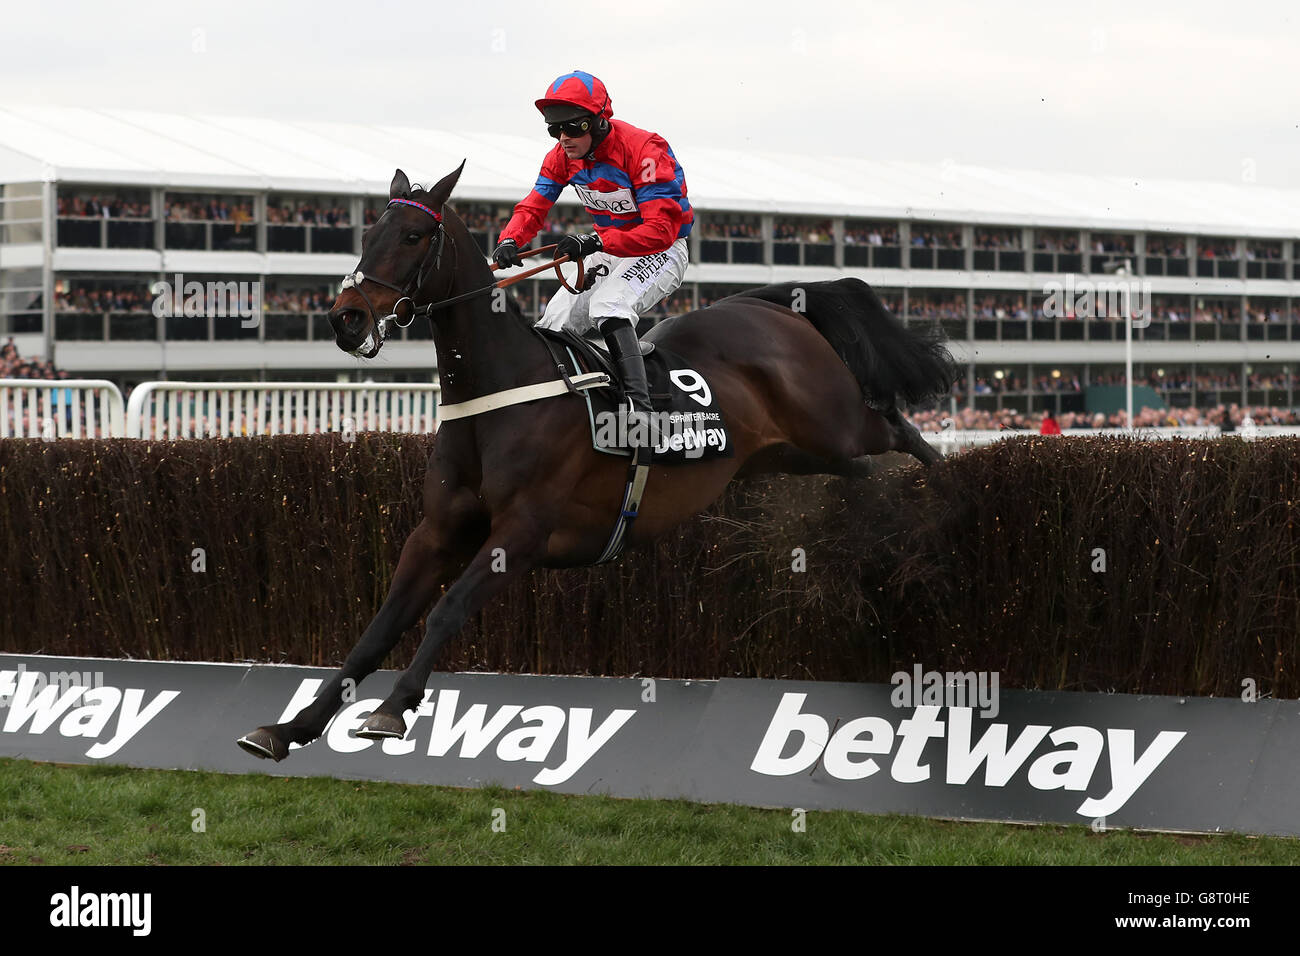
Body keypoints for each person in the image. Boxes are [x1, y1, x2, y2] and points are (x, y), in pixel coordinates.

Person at [492, 70, 693, 448]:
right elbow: (534, 206)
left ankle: (640, 411)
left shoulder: (646, 150)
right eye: (554, 130)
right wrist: (509, 240)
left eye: (571, 128)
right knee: (553, 320)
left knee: (608, 302)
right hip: (609, 247)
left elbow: (660, 232)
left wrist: (594, 240)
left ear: (599, 121)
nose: (563, 139)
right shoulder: (561, 156)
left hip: (662, 249)